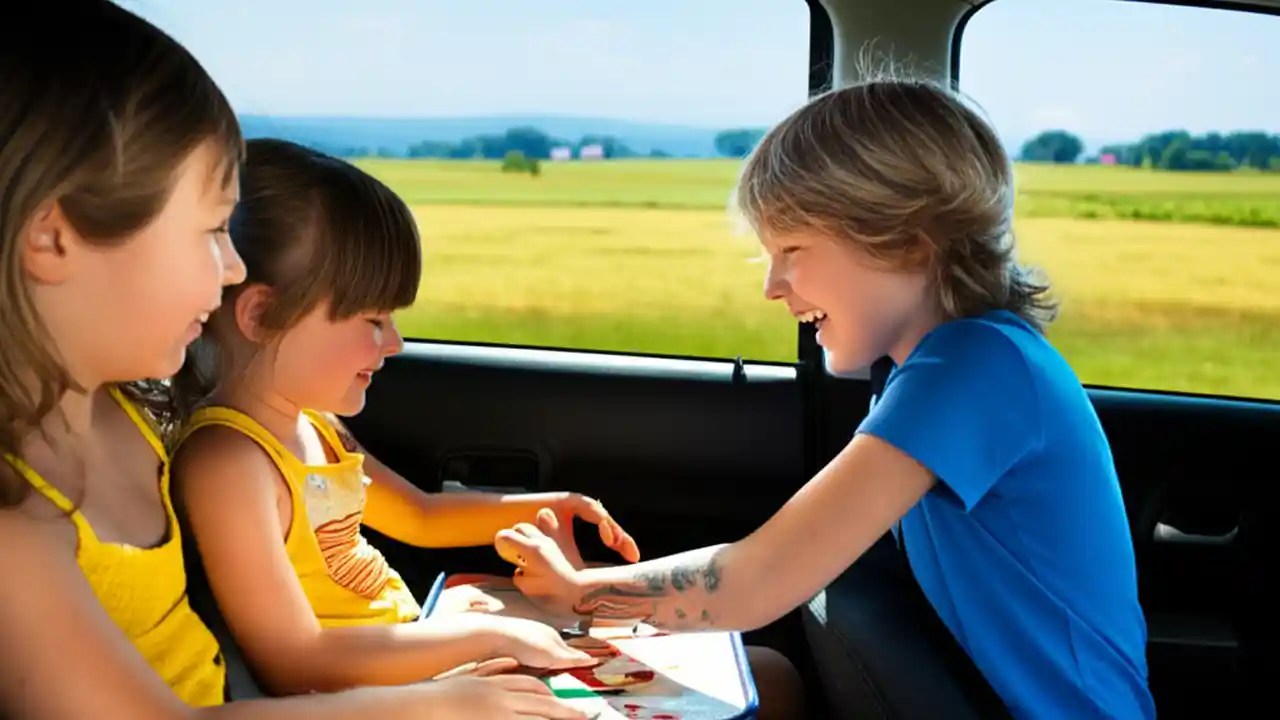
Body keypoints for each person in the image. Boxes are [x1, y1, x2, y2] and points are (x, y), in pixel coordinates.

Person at [491, 77, 1157, 720]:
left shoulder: (977, 368)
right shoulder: (932, 369)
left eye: (793, 248)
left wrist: (583, 594)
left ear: (906, 239)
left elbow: (762, 577)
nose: (772, 286)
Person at [0, 2, 583, 717]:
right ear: (52, 238)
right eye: (212, 229)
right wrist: (440, 703)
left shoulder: (141, 413)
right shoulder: (17, 521)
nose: (232, 267)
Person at [168, 137, 641, 694]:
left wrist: (550, 505)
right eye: (372, 320)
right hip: (358, 697)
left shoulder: (315, 427)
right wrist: (486, 637)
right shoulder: (228, 462)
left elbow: (419, 516)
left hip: (404, 653)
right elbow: (295, 660)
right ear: (262, 313)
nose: (393, 342)